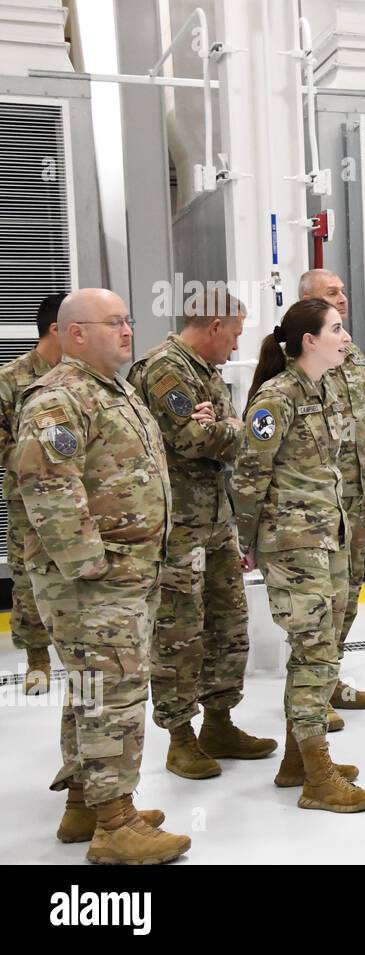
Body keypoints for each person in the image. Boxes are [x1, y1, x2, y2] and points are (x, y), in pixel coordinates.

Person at [14, 288, 188, 863]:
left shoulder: (113, 391)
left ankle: (86, 805)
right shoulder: (57, 399)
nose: (127, 331)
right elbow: (48, 487)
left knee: (91, 689)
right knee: (115, 691)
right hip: (94, 582)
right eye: (114, 323)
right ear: (76, 333)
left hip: (125, 574)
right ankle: (114, 826)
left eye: (128, 320)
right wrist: (94, 567)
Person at [232, 298, 365, 813]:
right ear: (309, 342)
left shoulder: (321, 391)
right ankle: (318, 777)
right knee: (315, 648)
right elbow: (248, 476)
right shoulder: (277, 398)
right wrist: (246, 541)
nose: (345, 336)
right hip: (294, 545)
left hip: (327, 536)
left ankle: (298, 759)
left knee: (322, 646)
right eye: (336, 329)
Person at [128, 289, 276, 780]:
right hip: (176, 531)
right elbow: (195, 441)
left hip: (215, 522)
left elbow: (222, 435)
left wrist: (226, 426)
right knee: (179, 632)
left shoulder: (205, 372)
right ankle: (180, 737)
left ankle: (219, 722)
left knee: (227, 625)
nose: (236, 346)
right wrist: (233, 428)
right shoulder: (165, 370)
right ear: (214, 326)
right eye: (234, 334)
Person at [297, 269, 365, 727]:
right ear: (309, 301)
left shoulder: (349, 353)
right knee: (319, 598)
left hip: (352, 494)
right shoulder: (296, 357)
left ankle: (330, 680)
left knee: (349, 591)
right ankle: (311, 697)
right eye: (333, 294)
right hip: (314, 501)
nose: (343, 298)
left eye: (343, 292)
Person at [0, 293, 64, 695]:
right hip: (30, 498)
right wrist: (39, 460)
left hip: (84, 497)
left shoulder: (84, 376)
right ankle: (37, 658)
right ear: (58, 329)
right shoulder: (12, 379)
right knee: (28, 577)